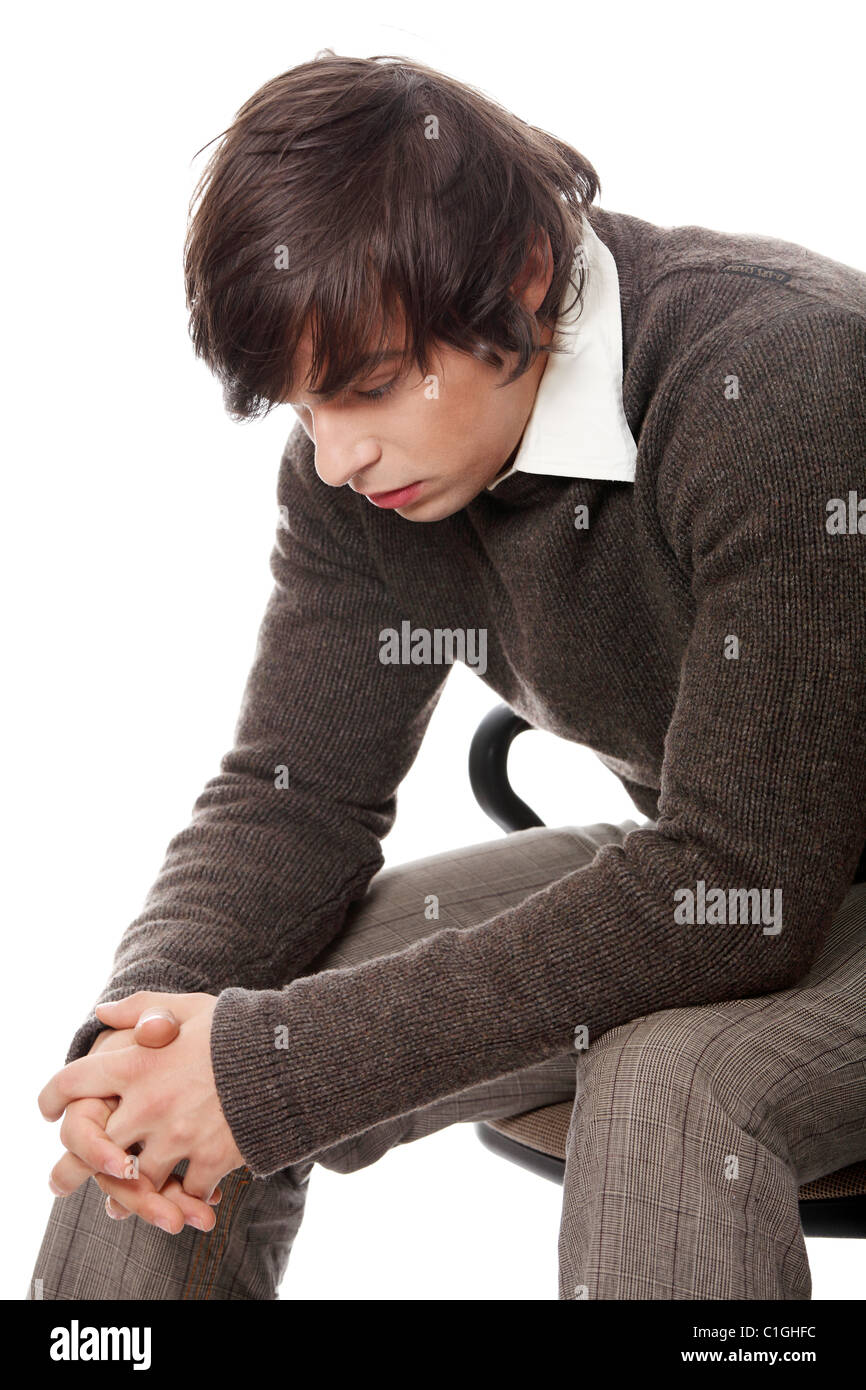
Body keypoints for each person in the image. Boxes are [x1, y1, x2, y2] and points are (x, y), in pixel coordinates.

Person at [30, 51, 866, 1301]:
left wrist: (272, 1070)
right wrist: (134, 1043)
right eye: (302, 408)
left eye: (367, 389)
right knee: (206, 1026)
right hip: (731, 856)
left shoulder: (777, 380)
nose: (338, 453)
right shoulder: (355, 474)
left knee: (670, 1082)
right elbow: (289, 795)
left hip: (760, 869)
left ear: (525, 279)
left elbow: (739, 882)